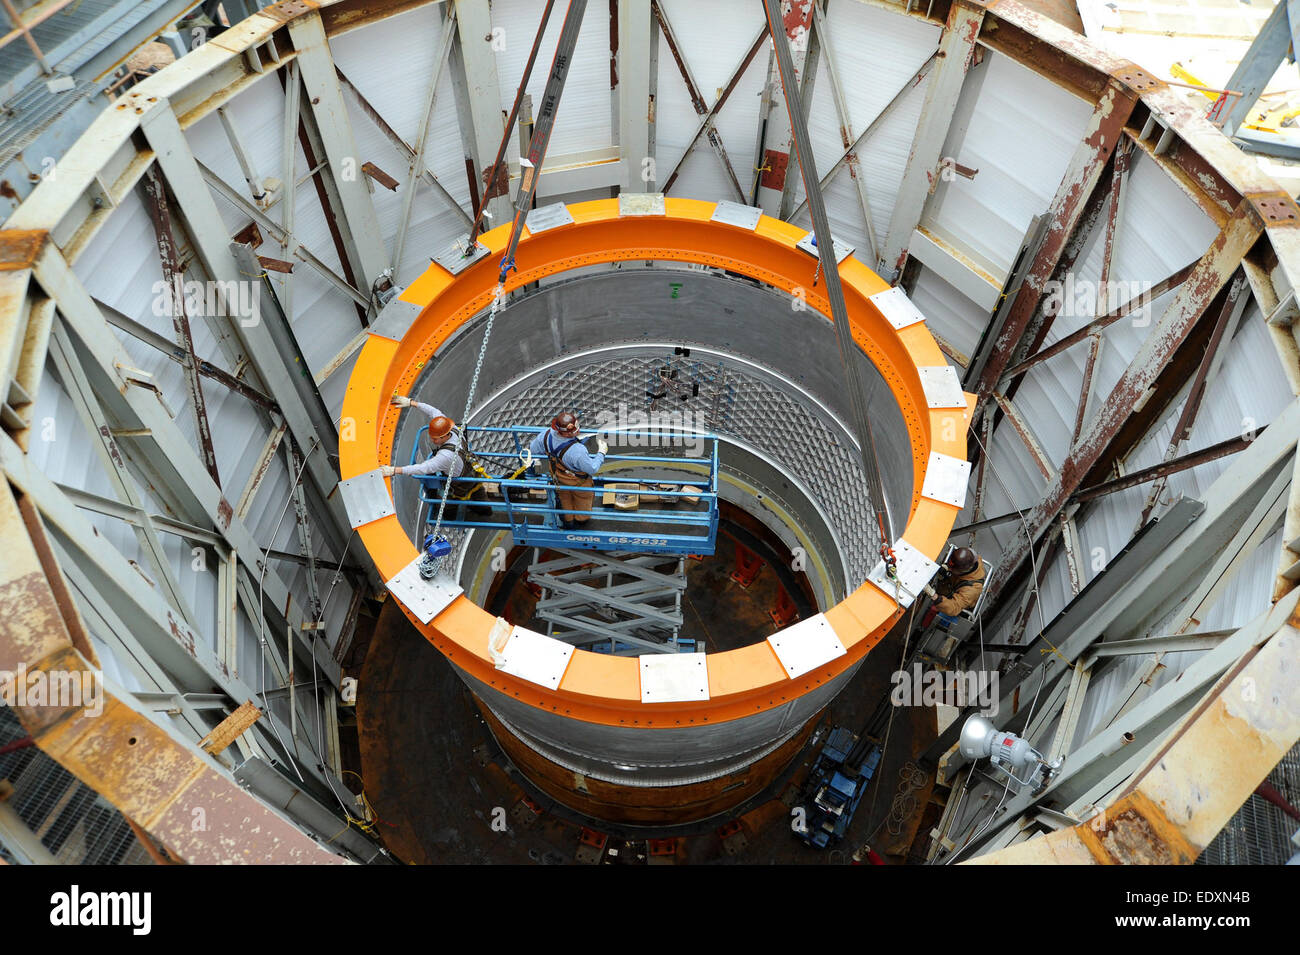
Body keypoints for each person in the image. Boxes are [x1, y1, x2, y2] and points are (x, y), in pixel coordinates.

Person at [529, 412, 607, 529]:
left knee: (563, 500)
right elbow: (592, 468)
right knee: (583, 502)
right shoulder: (578, 451)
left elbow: (533, 450)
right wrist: (601, 452)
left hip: (558, 478)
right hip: (579, 482)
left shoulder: (546, 435)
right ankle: (580, 522)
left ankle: (568, 522)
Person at [380, 395, 466, 480]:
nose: (432, 441)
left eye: (435, 439)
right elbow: (433, 411)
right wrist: (411, 403)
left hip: (457, 480)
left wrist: (394, 470)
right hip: (462, 460)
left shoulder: (445, 456)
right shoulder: (450, 427)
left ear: (444, 436)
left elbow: (424, 468)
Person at [920, 546, 985, 629]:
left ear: (961, 571)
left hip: (956, 603)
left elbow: (954, 607)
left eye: (952, 569)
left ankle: (924, 629)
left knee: (938, 614)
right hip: (952, 583)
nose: (950, 569)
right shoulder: (970, 559)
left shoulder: (971, 590)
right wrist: (946, 568)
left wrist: (933, 595)